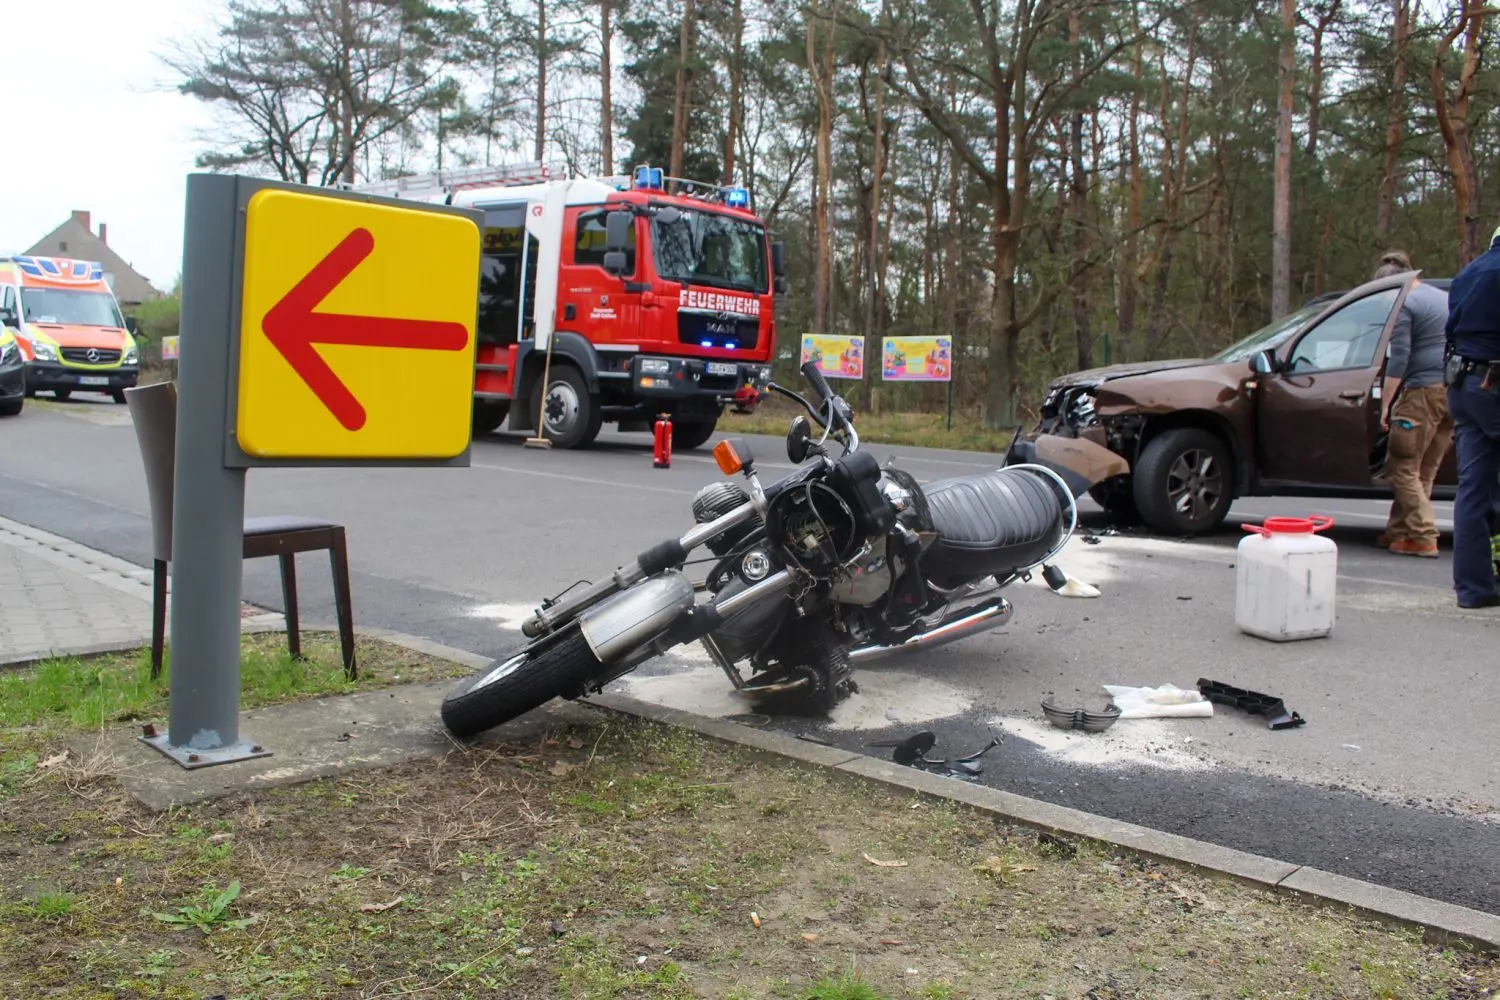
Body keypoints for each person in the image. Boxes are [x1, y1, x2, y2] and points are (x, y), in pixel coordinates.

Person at [1370, 251, 1453, 557]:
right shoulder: (1440, 297)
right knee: (1424, 470)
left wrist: (1386, 404)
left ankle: (1423, 534)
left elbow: (1399, 358)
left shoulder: (1404, 305)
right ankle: (1400, 531)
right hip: (1451, 391)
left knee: (1401, 465)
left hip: (1422, 392)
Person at [1443, 224, 1500, 609]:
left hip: (1463, 386)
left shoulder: (1469, 273)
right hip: (1494, 385)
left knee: (1473, 488)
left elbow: (1451, 329)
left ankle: (1474, 588)